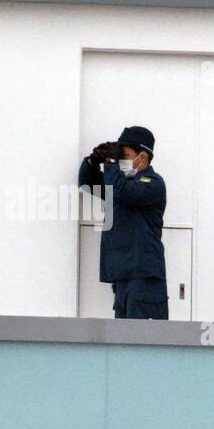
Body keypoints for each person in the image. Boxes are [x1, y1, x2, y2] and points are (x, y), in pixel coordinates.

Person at [77, 126, 168, 319]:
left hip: (144, 279)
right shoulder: (118, 185)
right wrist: (93, 161)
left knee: (142, 343)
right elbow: (87, 183)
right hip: (123, 279)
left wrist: (111, 162)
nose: (119, 162)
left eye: (123, 156)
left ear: (142, 157)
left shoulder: (153, 184)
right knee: (123, 345)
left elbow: (122, 192)